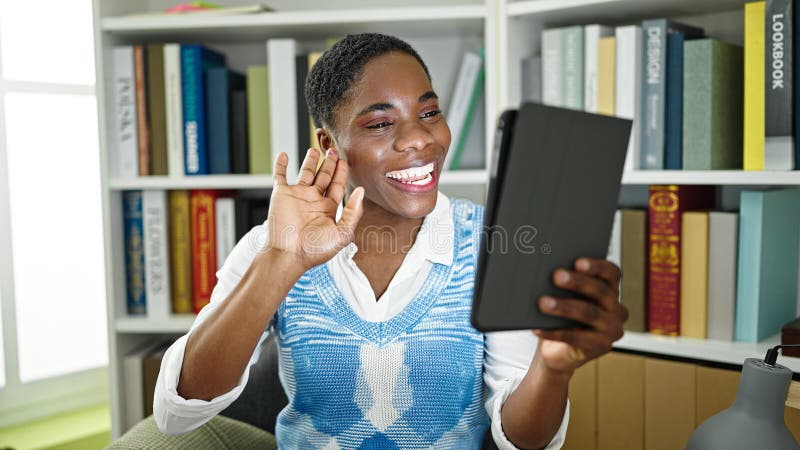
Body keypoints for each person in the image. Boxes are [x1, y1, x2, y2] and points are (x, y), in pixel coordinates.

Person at [153, 33, 628, 449]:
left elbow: (524, 440)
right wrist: (281, 261)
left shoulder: (496, 244)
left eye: (429, 111)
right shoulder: (273, 245)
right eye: (381, 123)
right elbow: (178, 413)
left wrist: (553, 368)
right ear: (329, 145)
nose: (420, 138)